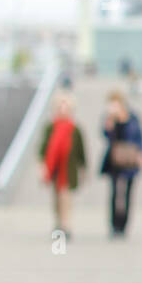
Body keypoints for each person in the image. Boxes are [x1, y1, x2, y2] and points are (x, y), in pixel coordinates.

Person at [37, 93, 86, 238]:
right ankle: (58, 222)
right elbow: (42, 150)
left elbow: (81, 152)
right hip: (54, 170)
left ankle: (66, 225)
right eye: (60, 107)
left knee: (66, 197)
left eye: (66, 108)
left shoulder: (75, 129)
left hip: (69, 170)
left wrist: (83, 169)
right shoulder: (50, 128)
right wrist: (42, 168)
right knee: (56, 198)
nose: (63, 110)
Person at [100, 89, 142, 238]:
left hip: (130, 160)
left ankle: (124, 225)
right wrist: (111, 122)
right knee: (114, 192)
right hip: (115, 161)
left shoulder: (133, 117)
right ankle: (114, 225)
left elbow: (140, 137)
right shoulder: (109, 118)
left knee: (127, 193)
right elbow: (106, 135)